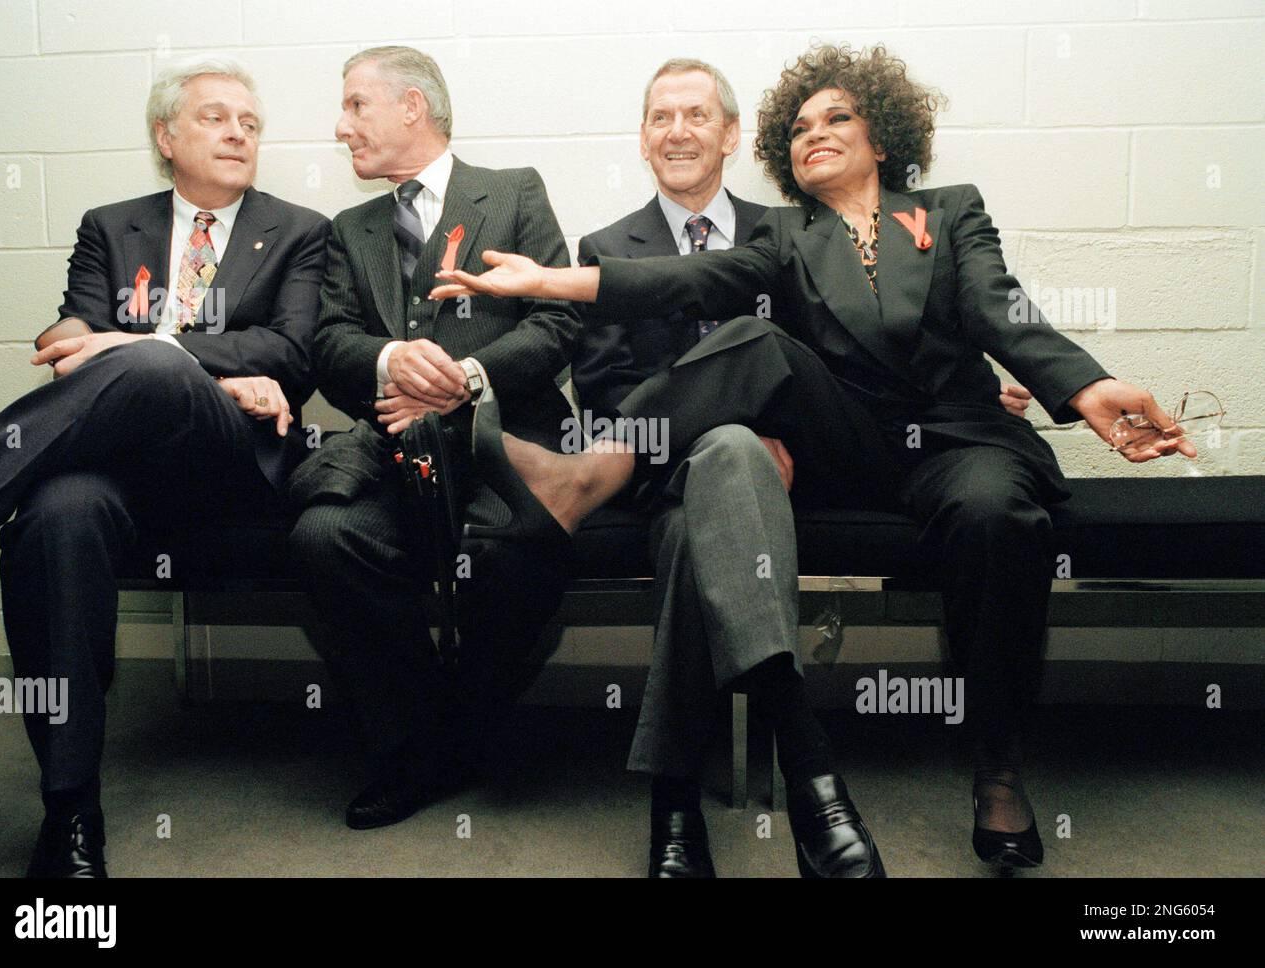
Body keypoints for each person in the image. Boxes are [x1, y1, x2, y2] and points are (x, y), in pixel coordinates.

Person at [431, 43, 1195, 875]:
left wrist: (1084, 387)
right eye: (798, 126)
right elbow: (681, 283)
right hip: (851, 443)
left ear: (883, 136)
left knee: (995, 514)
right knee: (751, 338)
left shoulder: (947, 210)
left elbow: (998, 310)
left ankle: (1000, 765)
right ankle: (587, 475)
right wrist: (543, 282)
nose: (814, 134)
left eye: (838, 118)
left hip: (961, 441)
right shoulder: (789, 237)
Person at [0, 58, 330, 877]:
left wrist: (141, 347)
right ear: (166, 138)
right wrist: (119, 347)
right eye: (215, 118)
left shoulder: (301, 229)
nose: (239, 131)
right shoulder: (109, 224)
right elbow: (68, 346)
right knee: (56, 518)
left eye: (250, 121)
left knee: (155, 369)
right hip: (114, 468)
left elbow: (291, 352)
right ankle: (69, 810)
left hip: (226, 460)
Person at [286, 46, 582, 833]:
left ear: (411, 107)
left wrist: (467, 375)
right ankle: (414, 738)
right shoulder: (351, 228)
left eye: (355, 105)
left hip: (506, 444)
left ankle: (463, 724)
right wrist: (390, 359)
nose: (339, 125)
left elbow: (559, 321)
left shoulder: (515, 193)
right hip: (395, 453)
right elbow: (330, 344)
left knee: (515, 547)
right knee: (326, 536)